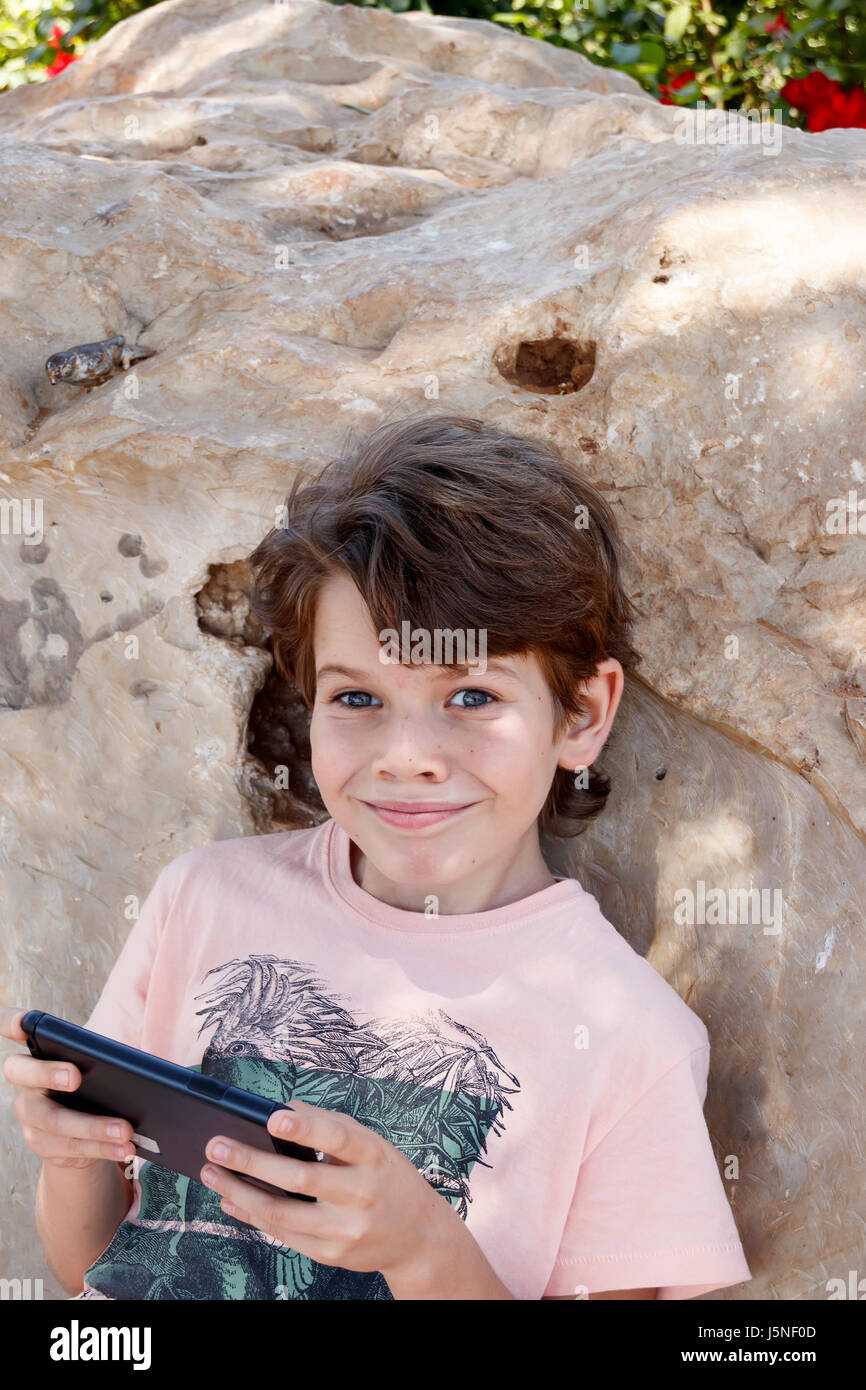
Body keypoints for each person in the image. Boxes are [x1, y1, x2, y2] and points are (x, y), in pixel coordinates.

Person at [2, 410, 751, 1300]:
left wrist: (422, 1249)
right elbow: (88, 1270)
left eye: (470, 695)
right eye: (357, 698)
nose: (406, 755)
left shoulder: (631, 1038)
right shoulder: (202, 899)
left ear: (582, 716)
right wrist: (70, 1155)